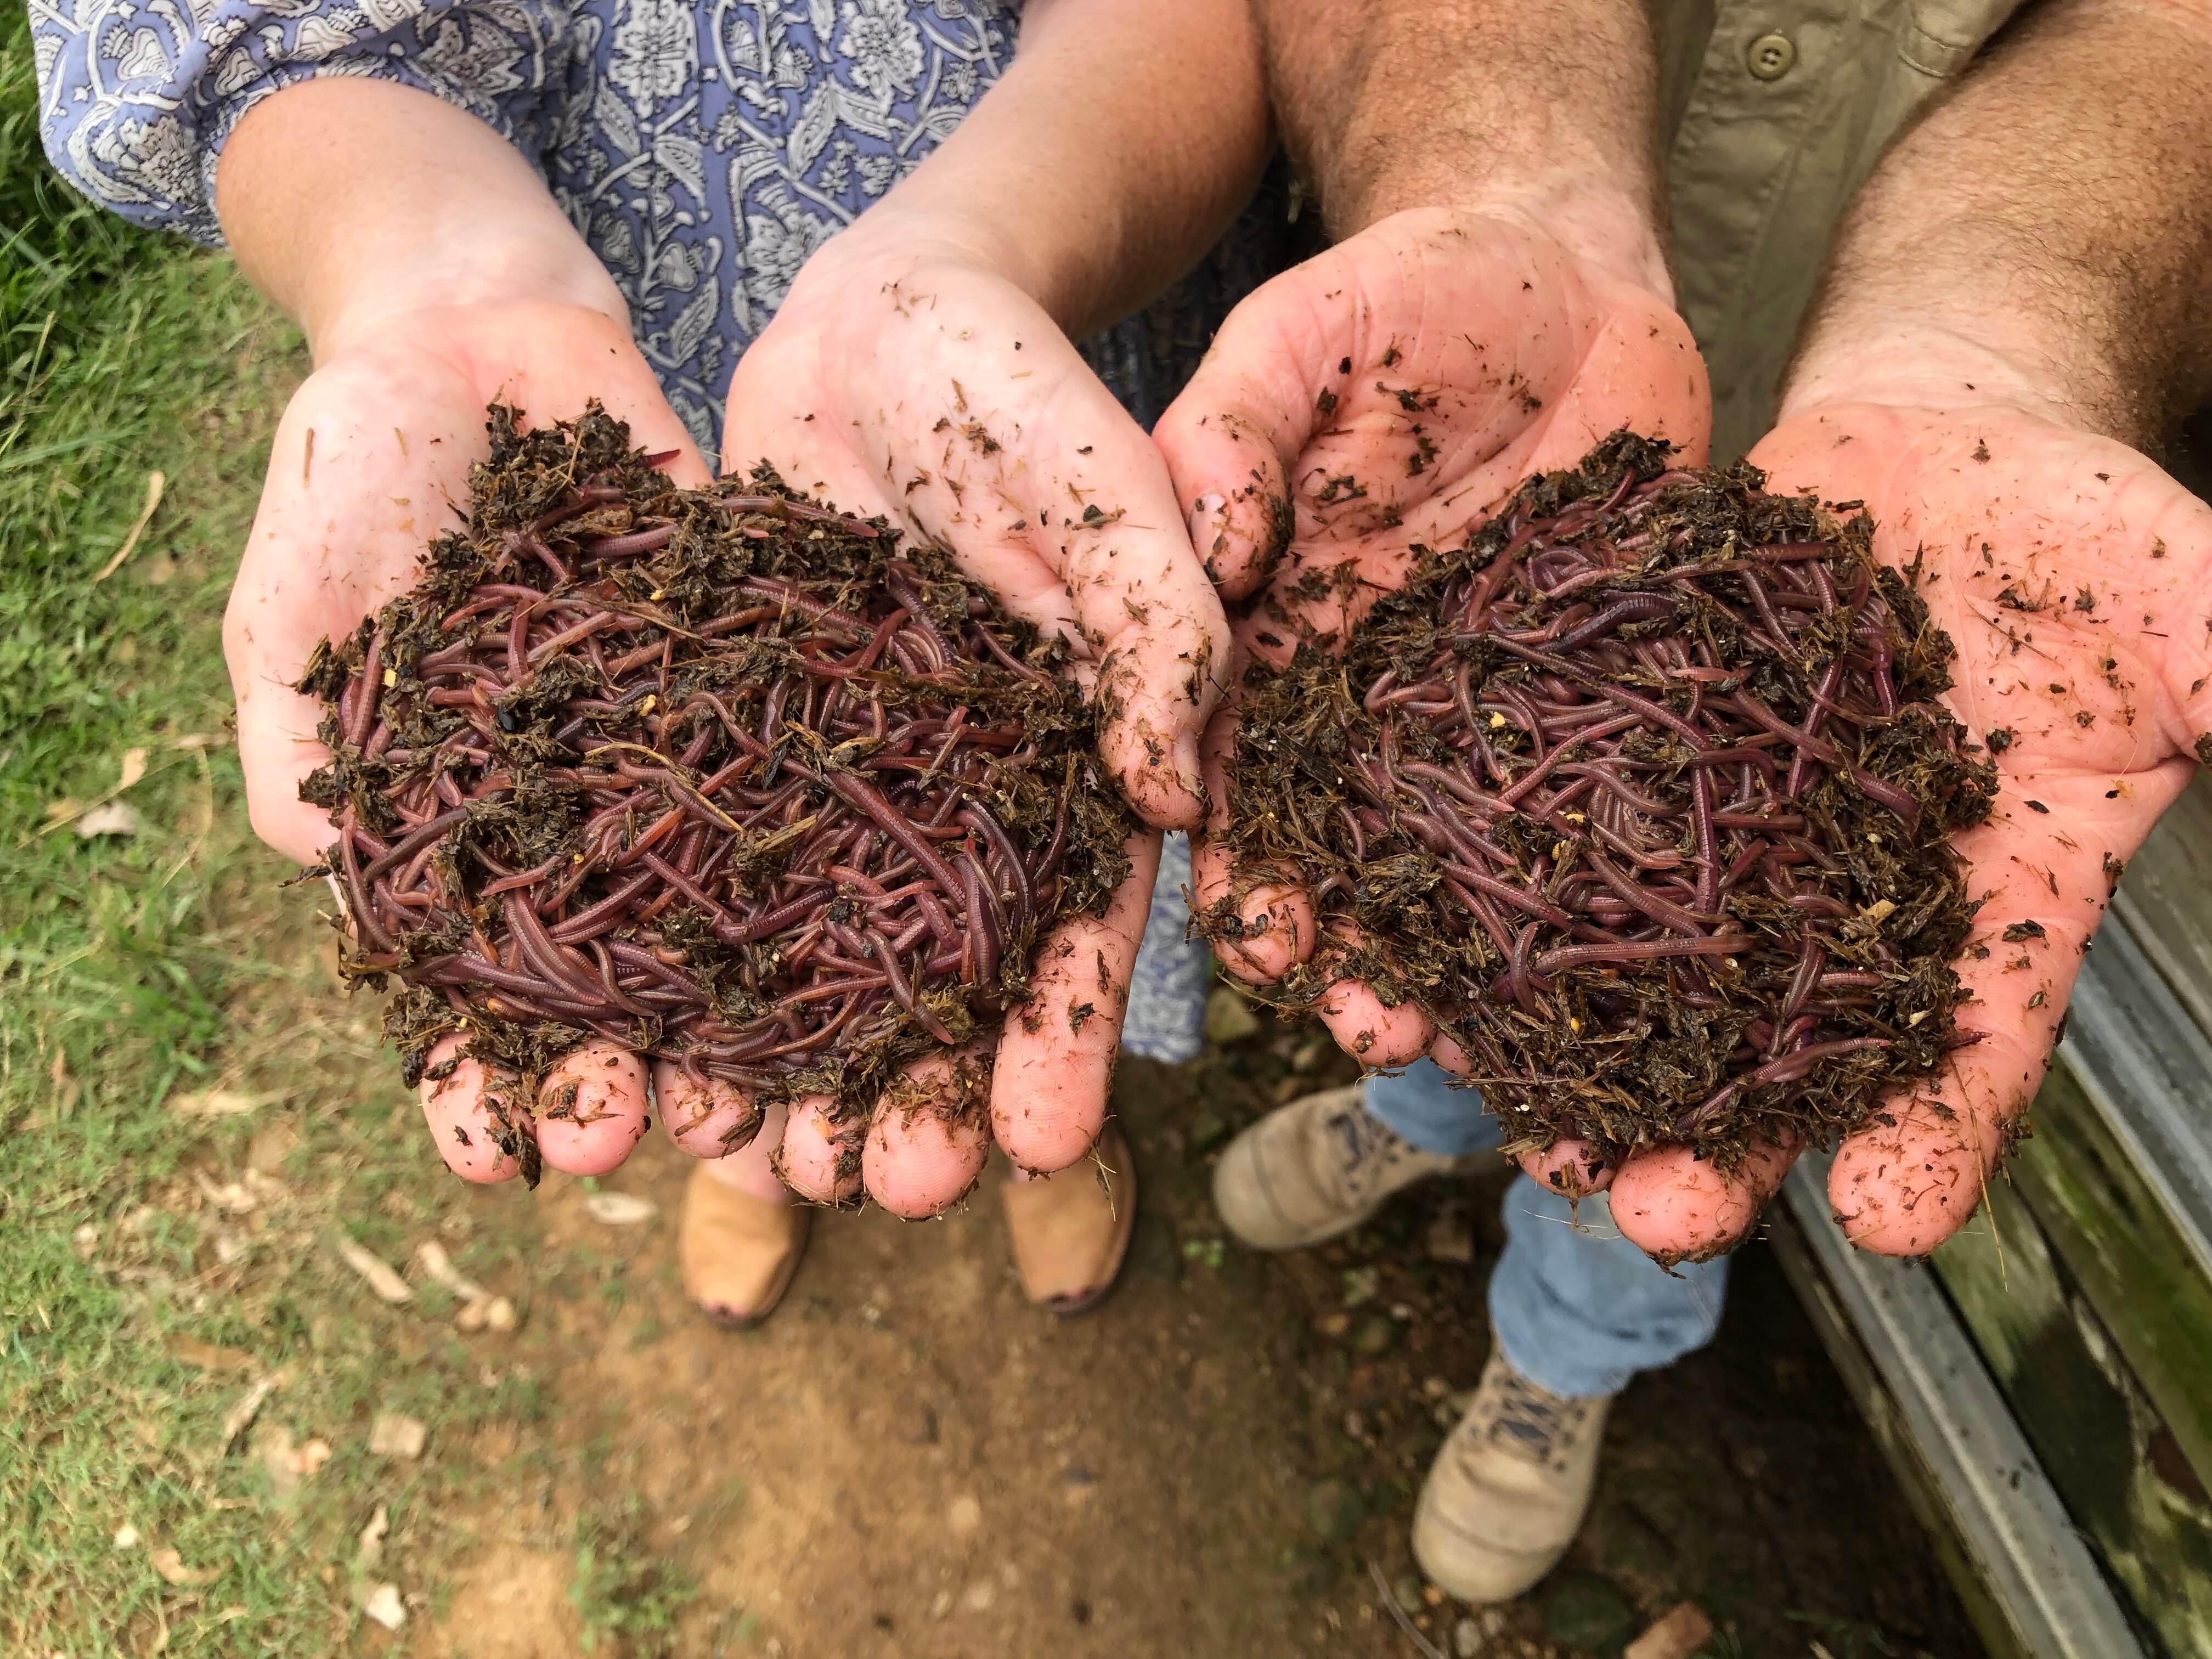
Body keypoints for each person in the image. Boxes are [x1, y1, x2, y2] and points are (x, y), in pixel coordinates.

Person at [1159, 0, 2212, 1603]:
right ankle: (1415, 1122)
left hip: (1962, 488)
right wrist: (1494, 160)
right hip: (1497, 415)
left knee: (1672, 1110)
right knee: (1454, 972)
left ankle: (1570, 1356)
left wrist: (2015, 327)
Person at [33, 0, 1282, 1319]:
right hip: (589, 361)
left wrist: (979, 244)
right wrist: (419, 271)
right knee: (771, 974)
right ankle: (743, 1112)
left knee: (1062, 808)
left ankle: (984, 1099)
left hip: (1009, 323)